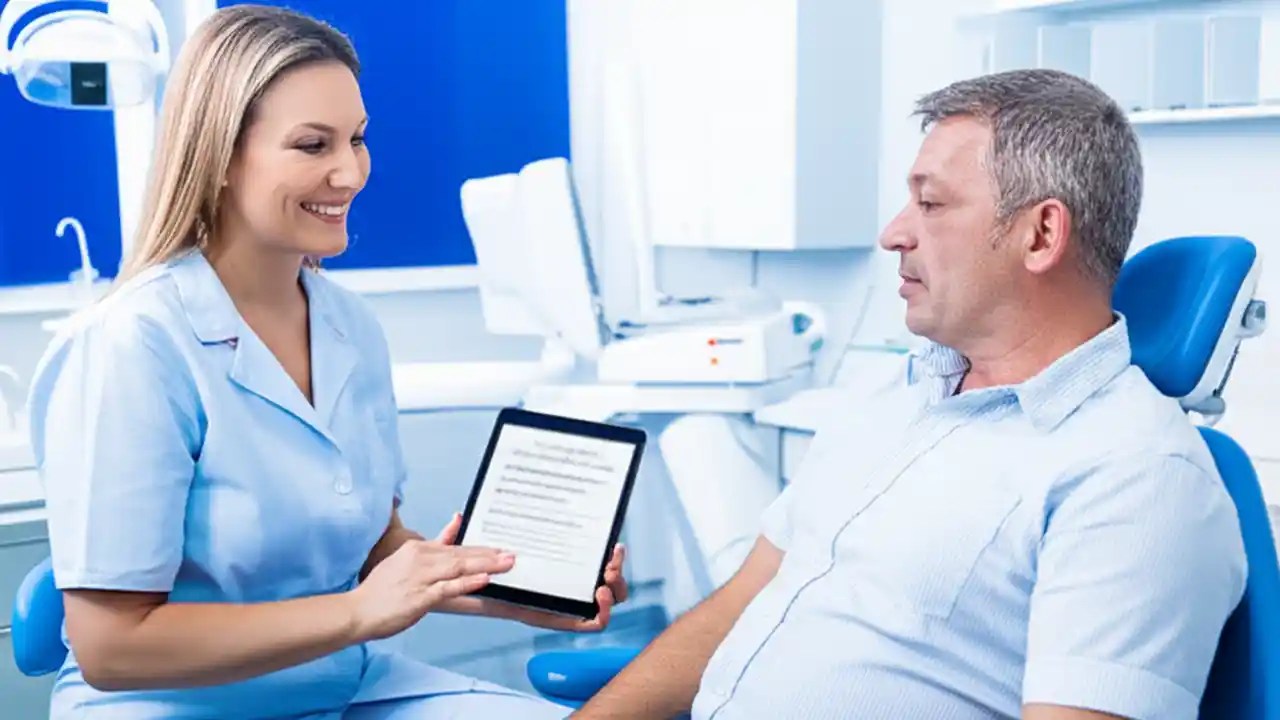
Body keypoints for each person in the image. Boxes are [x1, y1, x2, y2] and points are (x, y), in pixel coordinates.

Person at [572, 69, 1247, 720]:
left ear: (1040, 234)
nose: (894, 232)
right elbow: (745, 599)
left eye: (931, 203)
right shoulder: (896, 397)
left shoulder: (1137, 477)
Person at [26, 5, 623, 718]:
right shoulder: (133, 344)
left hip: (346, 680)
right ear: (218, 157)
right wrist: (360, 614)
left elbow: (371, 548)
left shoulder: (350, 326)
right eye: (312, 145)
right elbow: (112, 647)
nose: (350, 172)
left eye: (358, 140)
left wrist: (507, 589)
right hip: (174, 704)